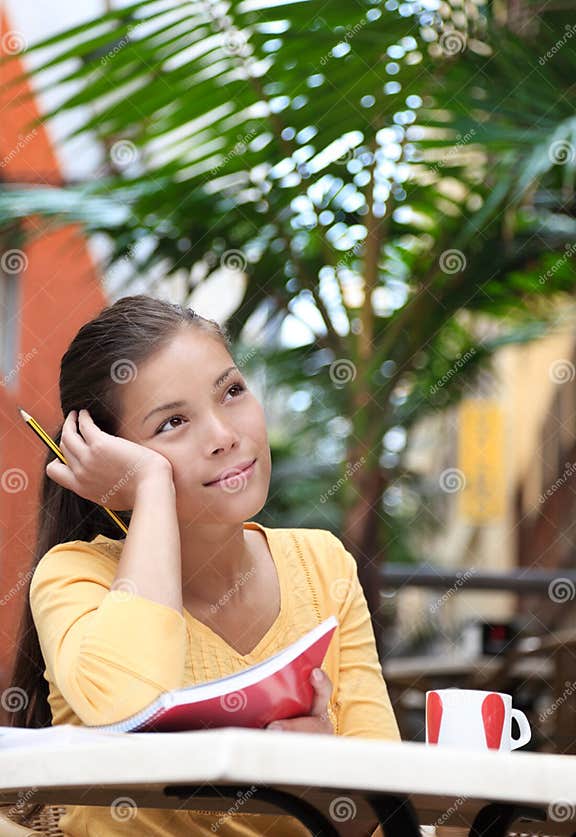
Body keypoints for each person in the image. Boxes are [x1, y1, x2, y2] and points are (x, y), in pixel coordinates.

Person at [9, 294, 401, 836]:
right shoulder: (76, 577)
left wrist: (323, 780)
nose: (224, 437)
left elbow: (393, 816)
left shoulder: (322, 563)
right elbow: (131, 698)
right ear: (107, 455)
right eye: (171, 422)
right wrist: (148, 487)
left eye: (232, 391)